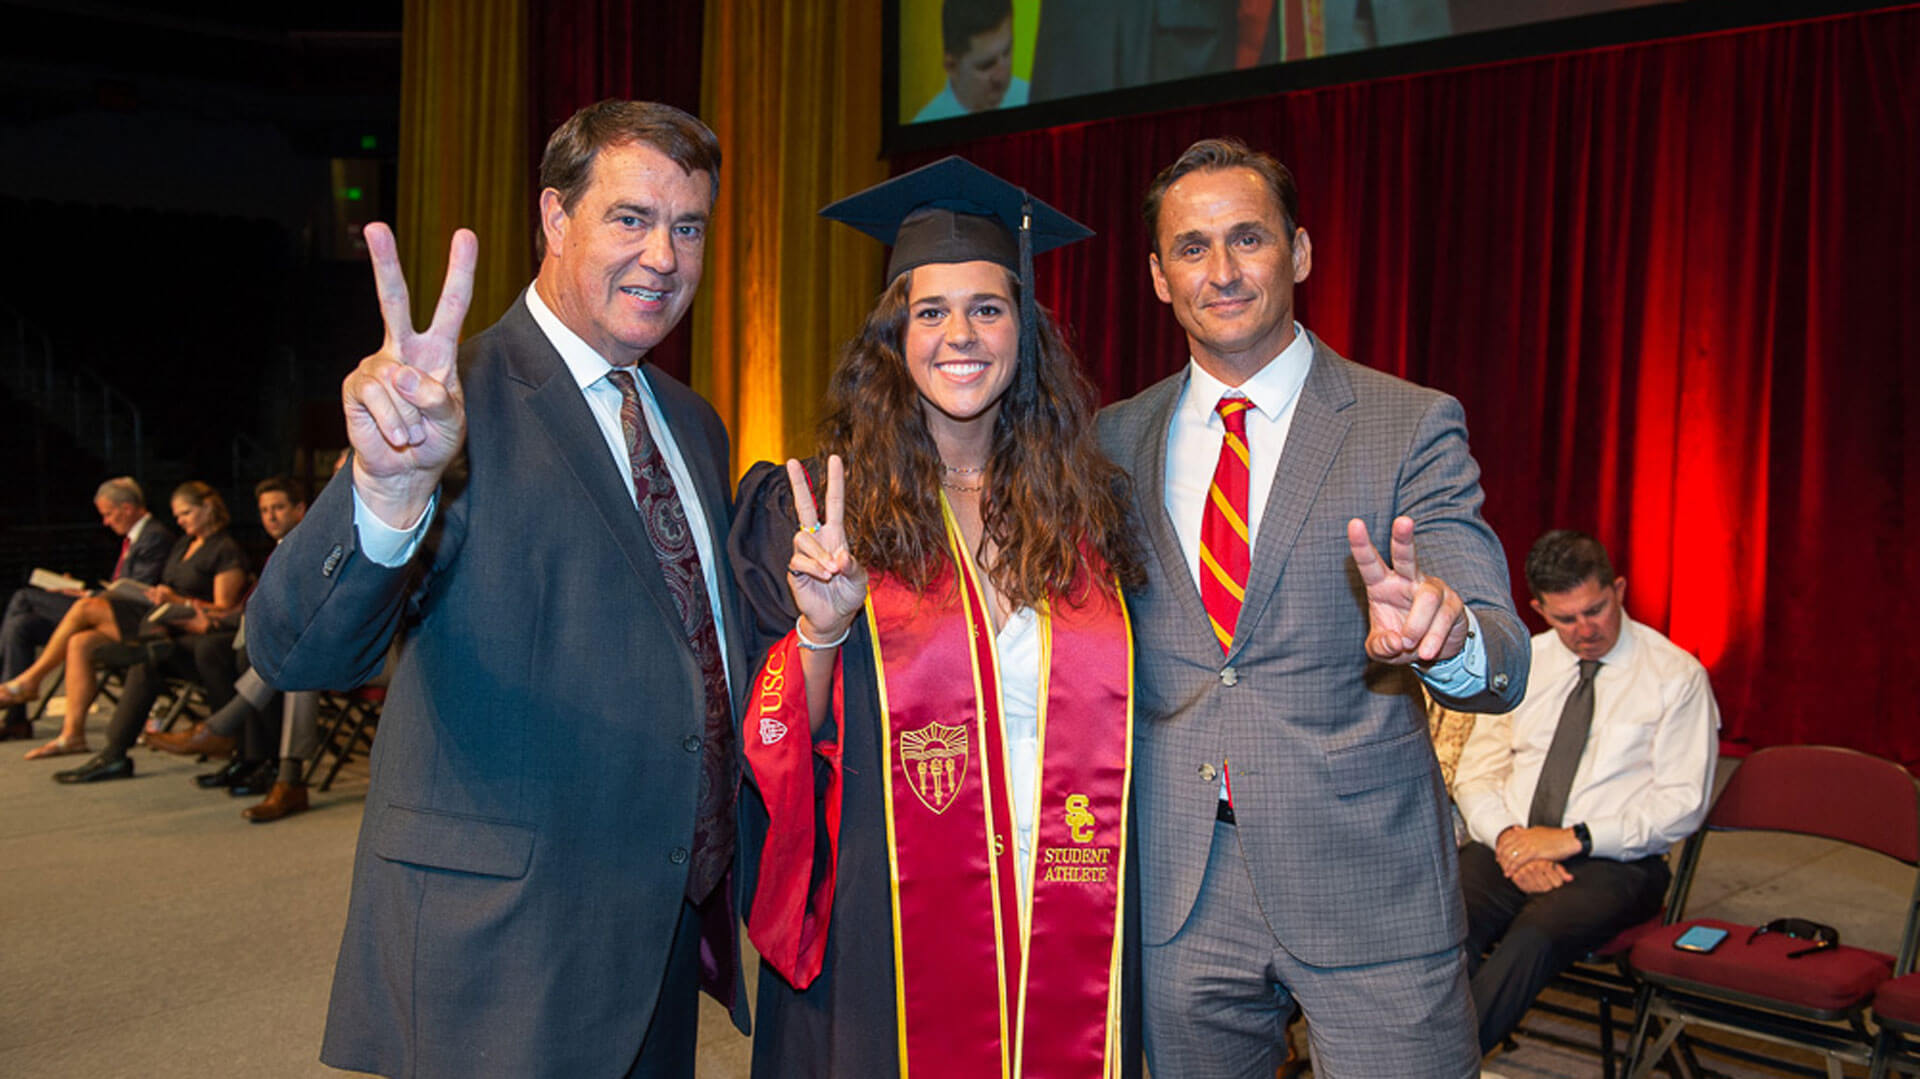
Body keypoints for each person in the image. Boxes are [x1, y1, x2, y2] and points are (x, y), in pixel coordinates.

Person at [243, 99, 747, 1078]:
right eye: (631, 218)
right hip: (505, 953)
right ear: (555, 220)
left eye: (688, 227)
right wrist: (388, 492)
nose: (665, 255)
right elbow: (295, 649)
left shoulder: (694, 422)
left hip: (658, 932)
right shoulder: (452, 401)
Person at [1096, 137, 1529, 1077]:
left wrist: (1443, 634)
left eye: (1247, 239)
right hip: (1177, 890)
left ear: (1298, 253)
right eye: (1192, 247)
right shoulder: (1112, 439)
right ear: (1159, 278)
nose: (1222, 270)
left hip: (1367, 881)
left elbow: (1502, 649)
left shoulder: (1407, 421)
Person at [731, 156, 1141, 1078]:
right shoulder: (816, 514)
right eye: (930, 311)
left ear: (1022, 331)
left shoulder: (1090, 514)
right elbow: (769, 736)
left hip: (1069, 892)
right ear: (894, 337)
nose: (962, 334)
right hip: (893, 918)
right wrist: (823, 632)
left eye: (988, 308)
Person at [1453, 529, 1718, 1055]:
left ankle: (1439, 1066)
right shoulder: (1525, 662)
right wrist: (1511, 839)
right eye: (1565, 618)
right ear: (1538, 609)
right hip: (1514, 843)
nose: (1585, 630)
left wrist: (1571, 838)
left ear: (1618, 589)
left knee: (1535, 935)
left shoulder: (1675, 676)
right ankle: (1410, 1056)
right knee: (1446, 918)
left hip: (1618, 862)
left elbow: (1681, 804)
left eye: (1595, 609)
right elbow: (1475, 775)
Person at [61, 477, 309, 786]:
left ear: (300, 510)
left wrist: (202, 613)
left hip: (255, 640)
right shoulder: (191, 545)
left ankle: (240, 747)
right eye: (264, 510)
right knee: (152, 658)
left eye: (279, 508)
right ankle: (115, 752)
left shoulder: (253, 550)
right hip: (219, 633)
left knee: (227, 650)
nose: (270, 517)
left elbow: (256, 609)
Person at [8, 481, 248, 762]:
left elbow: (224, 608)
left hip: (180, 626)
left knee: (79, 607)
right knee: (79, 641)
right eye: (178, 515)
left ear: (207, 509)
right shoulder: (184, 543)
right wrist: (159, 593)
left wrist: (176, 600)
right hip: (157, 617)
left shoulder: (224, 549)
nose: (180, 521)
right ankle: (72, 735)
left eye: (185, 513)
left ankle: (31, 680)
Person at [0, 476, 172, 741]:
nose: (105, 522)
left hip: (126, 617)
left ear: (127, 508)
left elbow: (139, 590)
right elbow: (121, 586)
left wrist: (89, 595)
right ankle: (15, 719)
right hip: (108, 609)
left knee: (24, 598)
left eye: (108, 514)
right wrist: (80, 590)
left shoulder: (154, 536)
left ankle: (21, 685)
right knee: (20, 625)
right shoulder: (134, 539)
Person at [913, 0, 1031, 121]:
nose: (1002, 77)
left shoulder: (1031, 97)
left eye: (1007, 52)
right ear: (952, 66)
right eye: (986, 65)